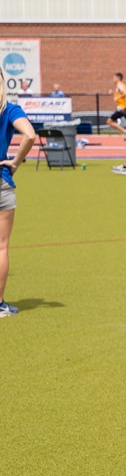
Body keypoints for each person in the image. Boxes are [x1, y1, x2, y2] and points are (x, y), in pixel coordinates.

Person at [0, 81, 35, 317]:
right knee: (1, 246)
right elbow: (30, 135)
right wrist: (16, 161)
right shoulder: (10, 109)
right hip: (1, 181)